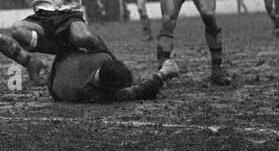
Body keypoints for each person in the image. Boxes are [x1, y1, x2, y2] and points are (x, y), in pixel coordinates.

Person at [48, 36, 180, 103]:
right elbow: (137, 93)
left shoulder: (101, 58)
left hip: (60, 70)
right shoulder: (92, 93)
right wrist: (163, 73)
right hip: (56, 82)